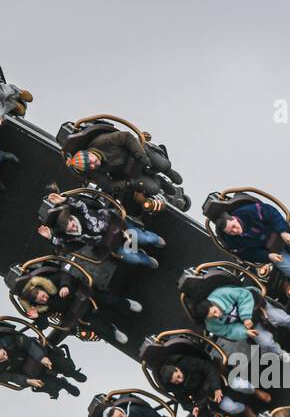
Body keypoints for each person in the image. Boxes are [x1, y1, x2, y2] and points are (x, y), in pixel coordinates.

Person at [213, 199, 290, 297]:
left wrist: (283, 231)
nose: (235, 231)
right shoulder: (232, 241)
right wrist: (267, 256)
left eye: (234, 226)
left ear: (234, 218)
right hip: (273, 250)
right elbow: (247, 254)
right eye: (231, 232)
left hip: (282, 233)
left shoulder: (248, 212)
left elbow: (272, 213)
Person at [63, 128, 190, 211]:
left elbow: (126, 137)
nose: (93, 164)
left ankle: (168, 172)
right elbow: (109, 186)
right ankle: (161, 181)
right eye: (89, 166)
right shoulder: (95, 172)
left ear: (88, 153)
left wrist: (142, 157)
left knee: (163, 164)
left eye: (90, 160)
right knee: (153, 188)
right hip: (129, 172)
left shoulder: (102, 142)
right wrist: (128, 184)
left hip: (137, 153)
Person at [36, 187, 164, 268]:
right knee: (134, 259)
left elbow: (80, 203)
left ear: (71, 218)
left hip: (118, 228)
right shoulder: (68, 236)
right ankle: (144, 257)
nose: (73, 229)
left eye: (73, 225)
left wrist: (63, 200)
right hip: (109, 244)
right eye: (70, 230)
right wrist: (50, 237)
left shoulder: (81, 211)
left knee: (144, 238)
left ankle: (154, 240)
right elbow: (62, 243)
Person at [18, 265, 142, 345]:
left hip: (81, 294)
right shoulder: (42, 307)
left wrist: (64, 286)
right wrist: (37, 317)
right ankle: (113, 331)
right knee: (98, 328)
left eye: (43, 295)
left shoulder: (49, 282)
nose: (45, 299)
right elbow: (43, 324)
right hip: (75, 310)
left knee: (110, 300)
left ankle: (127, 303)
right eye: (41, 300)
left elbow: (63, 274)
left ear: (42, 289)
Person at [0, 330, 85, 398]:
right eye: (1, 359)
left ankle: (72, 373)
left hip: (38, 357)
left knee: (63, 364)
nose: (5, 357)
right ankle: (63, 384)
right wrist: (27, 381)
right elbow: (11, 377)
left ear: (2, 348)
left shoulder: (8, 341)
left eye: (3, 354)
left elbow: (28, 344)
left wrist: (41, 357)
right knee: (49, 386)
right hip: (29, 373)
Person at [157, 353, 267, 417]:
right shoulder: (175, 388)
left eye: (179, 377)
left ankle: (254, 391)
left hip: (217, 379)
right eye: (176, 382)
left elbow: (208, 368)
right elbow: (184, 401)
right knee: (230, 408)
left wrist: (216, 388)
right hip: (209, 395)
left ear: (177, 369)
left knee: (241, 385)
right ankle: (245, 409)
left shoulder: (187, 362)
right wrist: (192, 408)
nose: (180, 381)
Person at [196, 285, 290, 357]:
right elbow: (228, 331)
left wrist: (245, 317)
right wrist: (244, 332)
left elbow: (245, 295)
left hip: (255, 307)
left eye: (215, 311)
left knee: (282, 319)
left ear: (213, 304)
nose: (217, 315)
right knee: (266, 343)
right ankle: (280, 353)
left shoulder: (222, 293)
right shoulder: (211, 325)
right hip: (246, 326)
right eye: (213, 316)